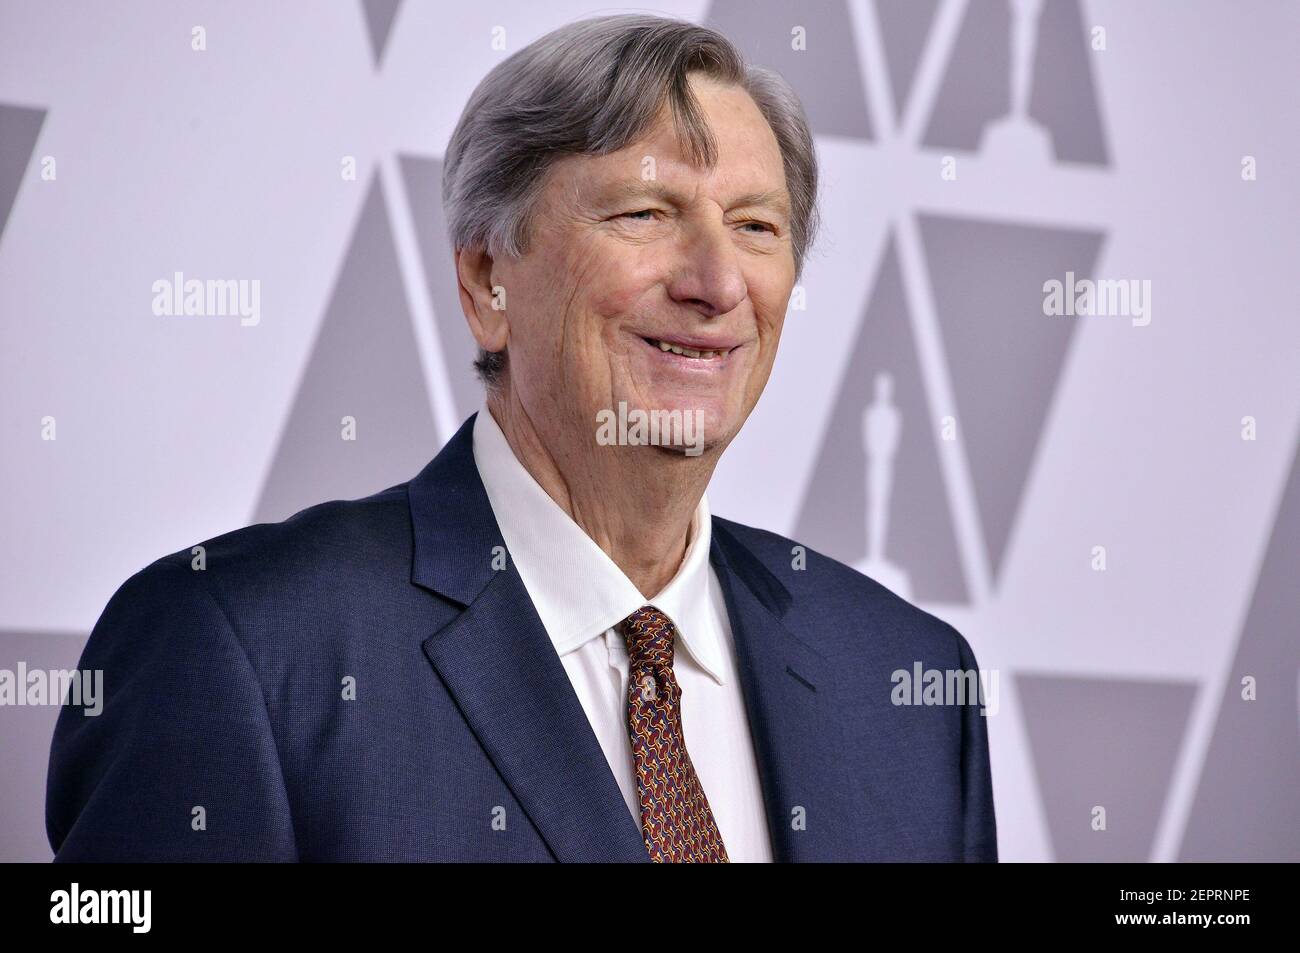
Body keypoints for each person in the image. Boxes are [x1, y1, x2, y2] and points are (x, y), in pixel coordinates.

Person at [46, 14, 996, 863]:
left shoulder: (905, 682)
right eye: (646, 213)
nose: (716, 280)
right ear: (485, 284)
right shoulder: (240, 647)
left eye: (756, 226)